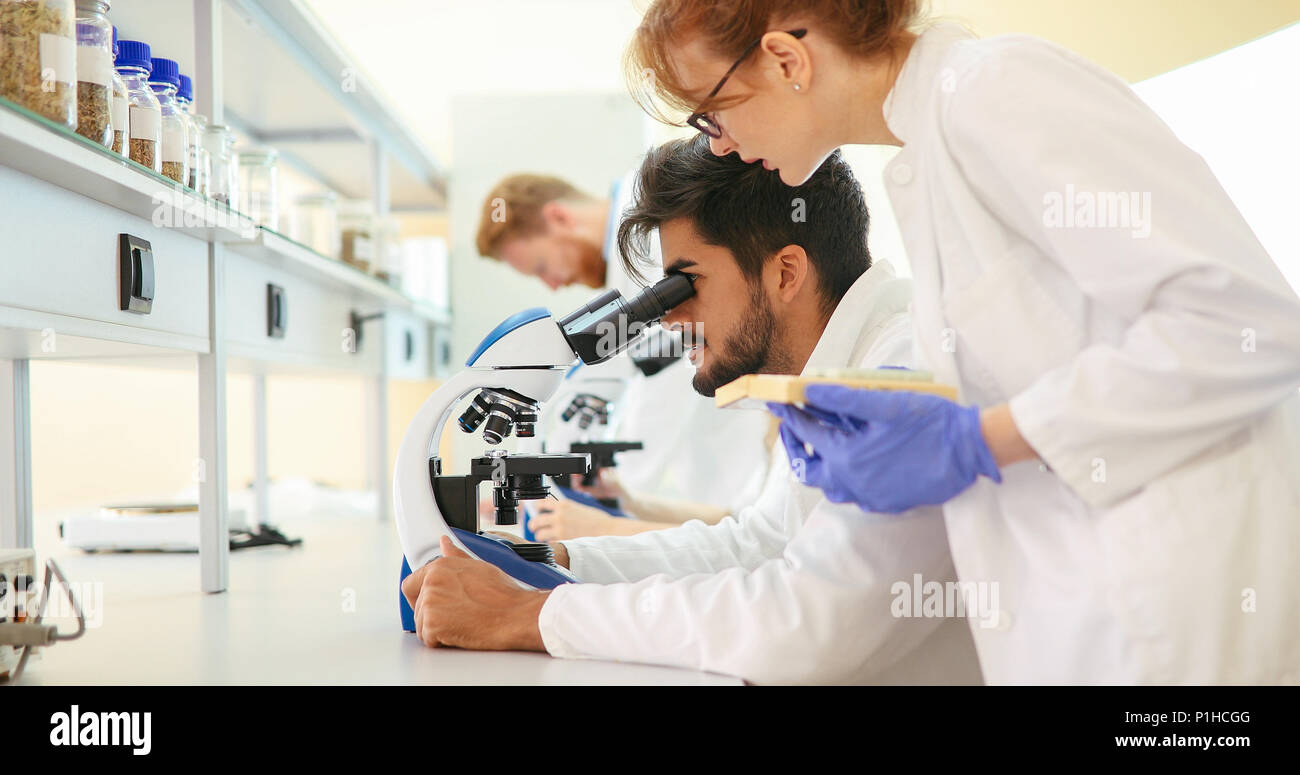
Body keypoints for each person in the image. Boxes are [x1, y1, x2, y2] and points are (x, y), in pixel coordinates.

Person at [626, 0, 1300, 682]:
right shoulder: (931, 158)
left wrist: (976, 439)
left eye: (713, 110)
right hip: (1095, 634)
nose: (718, 143)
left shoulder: (995, 90)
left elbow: (1242, 325)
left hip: (1187, 637)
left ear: (787, 59)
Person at [403, 135, 983, 685]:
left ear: (785, 273)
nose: (671, 319)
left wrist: (534, 615)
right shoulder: (835, 368)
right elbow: (756, 545)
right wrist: (552, 562)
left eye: (687, 284)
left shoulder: (901, 369)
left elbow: (806, 623)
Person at [475, 172, 772, 536]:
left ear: (559, 218)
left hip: (740, 473)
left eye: (541, 267)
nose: (552, 284)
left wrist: (603, 517)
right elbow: (616, 379)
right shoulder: (631, 259)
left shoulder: (648, 240)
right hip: (714, 491)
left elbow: (662, 390)